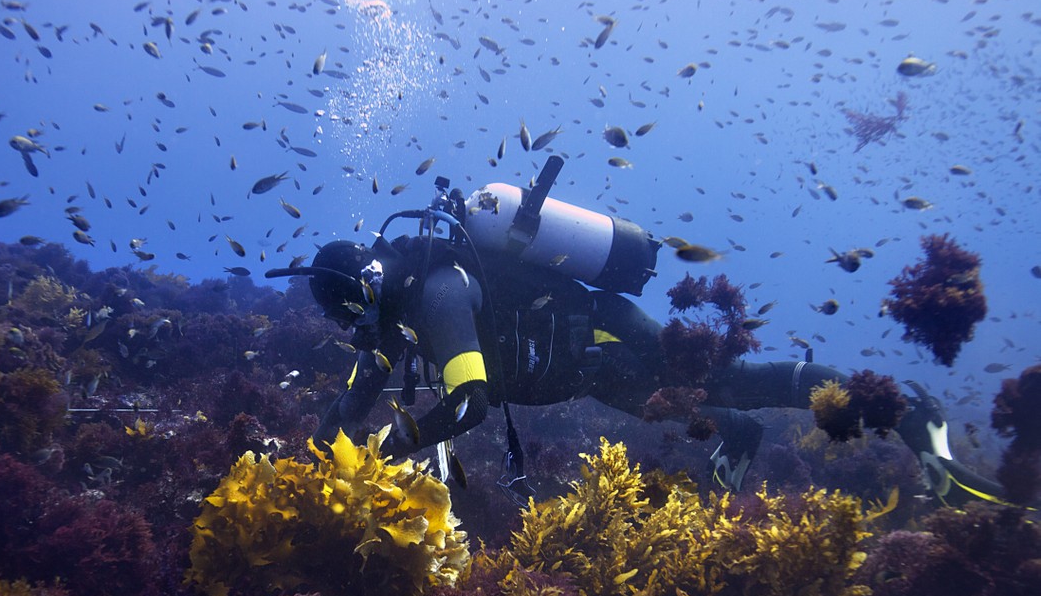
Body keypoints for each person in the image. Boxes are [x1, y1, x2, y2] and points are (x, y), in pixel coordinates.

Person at [267, 157, 1008, 508]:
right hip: (580, 369)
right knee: (661, 404)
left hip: (603, 334)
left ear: (368, 285)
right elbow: (365, 379)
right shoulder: (396, 306)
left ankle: (907, 411)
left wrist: (392, 449)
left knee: (726, 380)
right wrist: (319, 449)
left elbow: (470, 405)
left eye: (353, 316)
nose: (359, 332)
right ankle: (738, 438)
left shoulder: (436, 291)